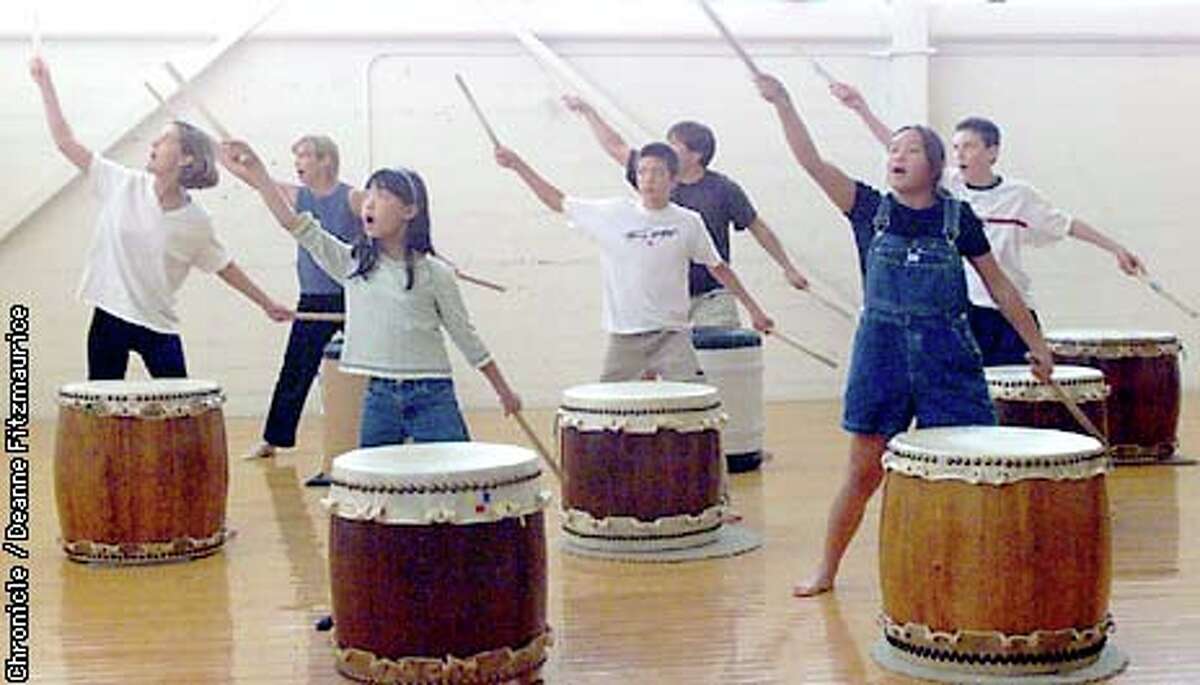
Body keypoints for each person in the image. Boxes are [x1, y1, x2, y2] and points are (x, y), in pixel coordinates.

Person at [754, 71, 1053, 597]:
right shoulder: (867, 207)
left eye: (911, 149)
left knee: (968, 466)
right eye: (893, 148)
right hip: (882, 354)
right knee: (864, 471)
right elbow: (811, 162)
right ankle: (826, 570)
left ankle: (979, 576)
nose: (898, 155)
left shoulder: (959, 219)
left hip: (949, 358)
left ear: (934, 167)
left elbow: (1000, 286)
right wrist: (783, 102)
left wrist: (1037, 345)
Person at [219, 140, 521, 448]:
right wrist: (257, 172)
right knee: (377, 491)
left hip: (433, 396)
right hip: (379, 398)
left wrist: (503, 391)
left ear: (410, 210)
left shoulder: (435, 273)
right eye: (370, 195)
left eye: (383, 196)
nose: (369, 203)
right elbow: (294, 224)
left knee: (453, 483)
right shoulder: (353, 264)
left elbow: (466, 337)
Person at [828, 81, 1145, 364]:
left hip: (1009, 313)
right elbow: (899, 149)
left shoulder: (1020, 195)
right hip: (965, 315)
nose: (960, 154)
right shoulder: (946, 185)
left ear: (992, 152)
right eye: (955, 148)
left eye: (968, 146)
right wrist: (862, 109)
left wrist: (1116, 249)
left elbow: (1068, 224)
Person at [30, 56, 290, 379]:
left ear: (186, 158)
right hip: (109, 315)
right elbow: (66, 143)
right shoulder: (122, 183)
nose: (153, 143)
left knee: (181, 412)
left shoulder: (196, 221)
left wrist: (266, 303)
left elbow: (224, 266)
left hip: (157, 323)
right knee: (104, 413)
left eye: (164, 139)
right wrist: (45, 84)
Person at [494, 140, 774, 381]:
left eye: (657, 172)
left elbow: (718, 267)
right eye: (642, 172)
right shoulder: (612, 213)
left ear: (674, 179)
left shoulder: (688, 222)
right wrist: (518, 165)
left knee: (696, 404)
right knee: (608, 412)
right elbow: (557, 201)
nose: (648, 179)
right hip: (625, 336)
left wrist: (755, 310)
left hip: (672, 335)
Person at [563, 96, 808, 327]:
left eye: (674, 145)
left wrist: (788, 267)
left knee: (714, 359)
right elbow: (615, 145)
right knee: (662, 365)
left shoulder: (723, 189)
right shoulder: (653, 175)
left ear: (696, 154)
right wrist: (588, 112)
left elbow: (759, 228)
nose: (666, 151)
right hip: (663, 298)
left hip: (712, 294)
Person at [241, 136, 366, 483]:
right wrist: (231, 157)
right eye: (296, 156)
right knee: (295, 369)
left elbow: (386, 216)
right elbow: (257, 180)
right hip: (314, 298)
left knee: (375, 366)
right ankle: (273, 438)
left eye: (305, 156)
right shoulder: (299, 196)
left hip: (354, 296)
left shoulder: (352, 197)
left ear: (326, 160)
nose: (298, 162)